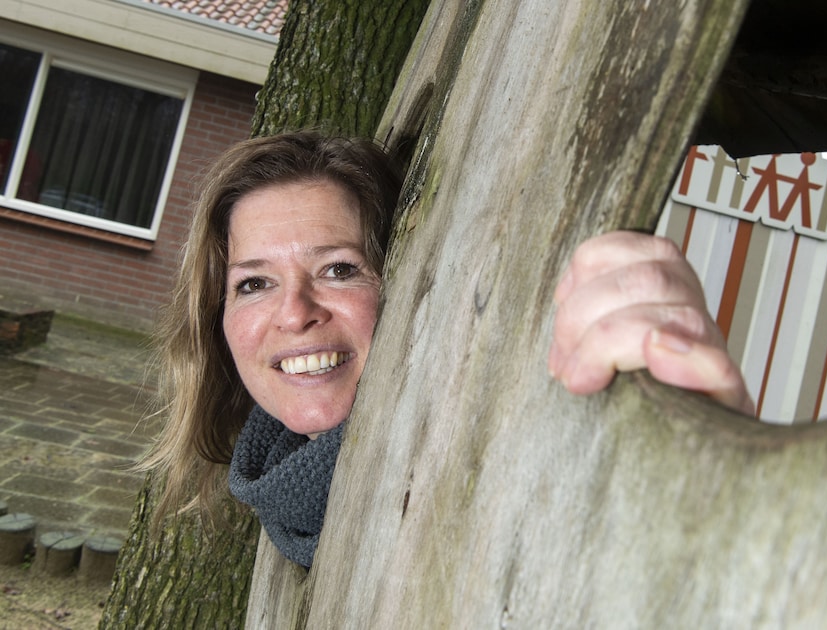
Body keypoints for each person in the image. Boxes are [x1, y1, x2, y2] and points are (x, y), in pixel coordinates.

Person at [141, 130, 750, 568]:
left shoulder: (504, 450)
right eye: (254, 283)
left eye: (339, 269)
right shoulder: (285, 503)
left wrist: (701, 472)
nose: (296, 313)